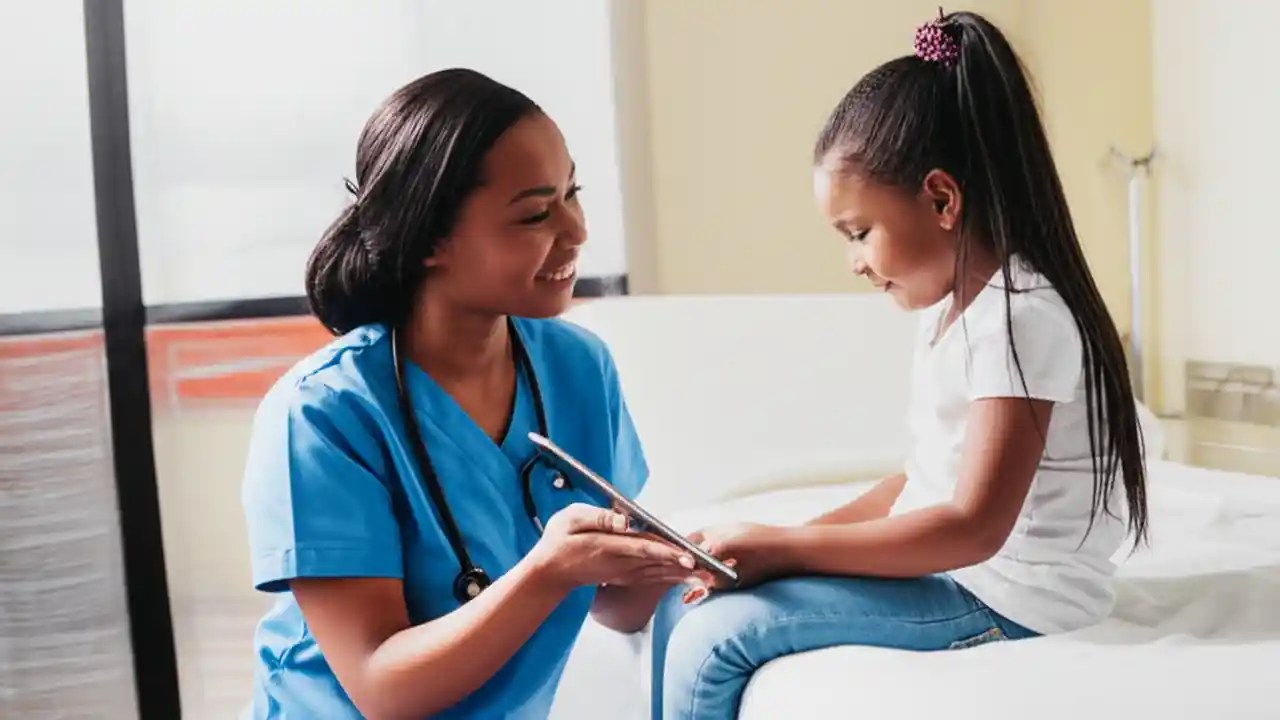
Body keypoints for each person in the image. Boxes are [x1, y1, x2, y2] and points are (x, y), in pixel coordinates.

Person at [650, 11, 1150, 719]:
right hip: (965, 573)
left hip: (1011, 597)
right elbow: (924, 484)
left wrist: (790, 548)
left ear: (942, 199)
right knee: (686, 606)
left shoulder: (1021, 318)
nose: (854, 261)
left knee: (714, 639)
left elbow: (974, 525)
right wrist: (784, 541)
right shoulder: (954, 313)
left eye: (859, 233)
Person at [241, 68, 697, 719]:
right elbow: (382, 688)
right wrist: (548, 570)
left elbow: (616, 607)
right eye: (537, 213)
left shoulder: (578, 368)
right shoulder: (322, 415)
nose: (576, 231)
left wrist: (690, 561)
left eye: (574, 194)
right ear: (429, 239)